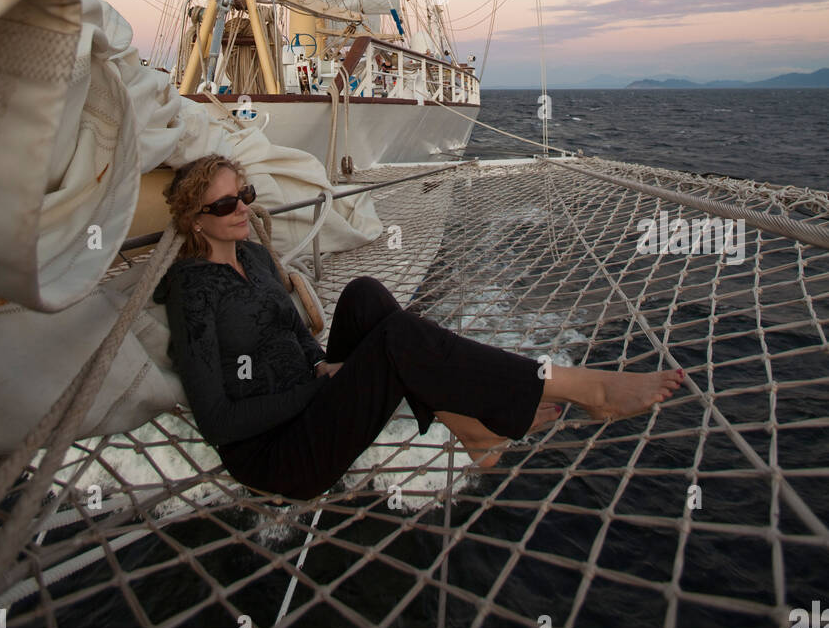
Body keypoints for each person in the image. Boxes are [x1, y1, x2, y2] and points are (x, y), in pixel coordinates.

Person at [153, 155, 683, 501]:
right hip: (281, 456)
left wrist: (320, 363)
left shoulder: (254, 255)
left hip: (312, 400)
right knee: (399, 338)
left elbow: (293, 328)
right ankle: (585, 388)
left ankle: (472, 429)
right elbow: (219, 422)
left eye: (243, 195)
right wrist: (319, 385)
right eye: (224, 204)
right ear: (193, 219)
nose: (242, 208)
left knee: (364, 295)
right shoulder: (193, 290)